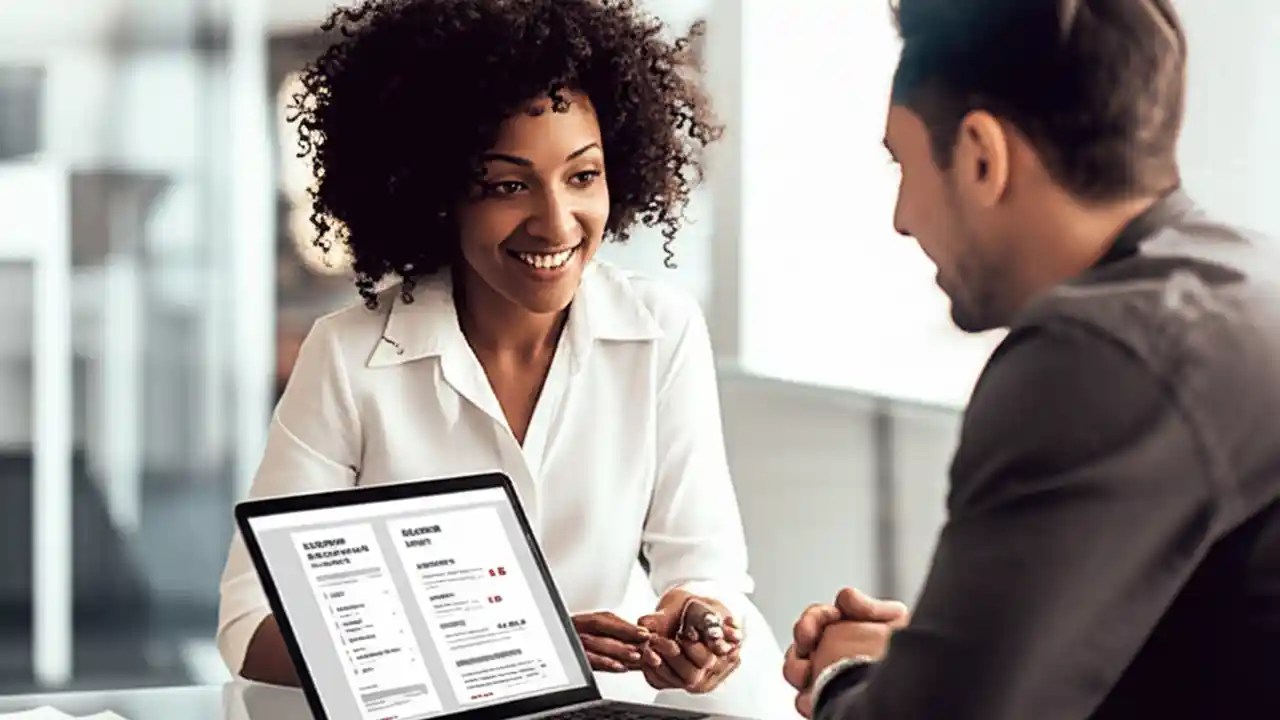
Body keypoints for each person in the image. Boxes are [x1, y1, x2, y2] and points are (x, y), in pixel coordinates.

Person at [216, 0, 792, 713]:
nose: (555, 222)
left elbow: (704, 568)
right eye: (506, 185)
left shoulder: (661, 331)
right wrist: (518, 644)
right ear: (438, 193)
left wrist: (700, 627)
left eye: (582, 176)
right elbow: (251, 627)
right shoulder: (348, 356)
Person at [783, 0, 1280, 718]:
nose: (901, 218)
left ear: (982, 156)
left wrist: (845, 676)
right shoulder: (1243, 284)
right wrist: (937, 654)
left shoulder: (1100, 353)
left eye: (903, 164)